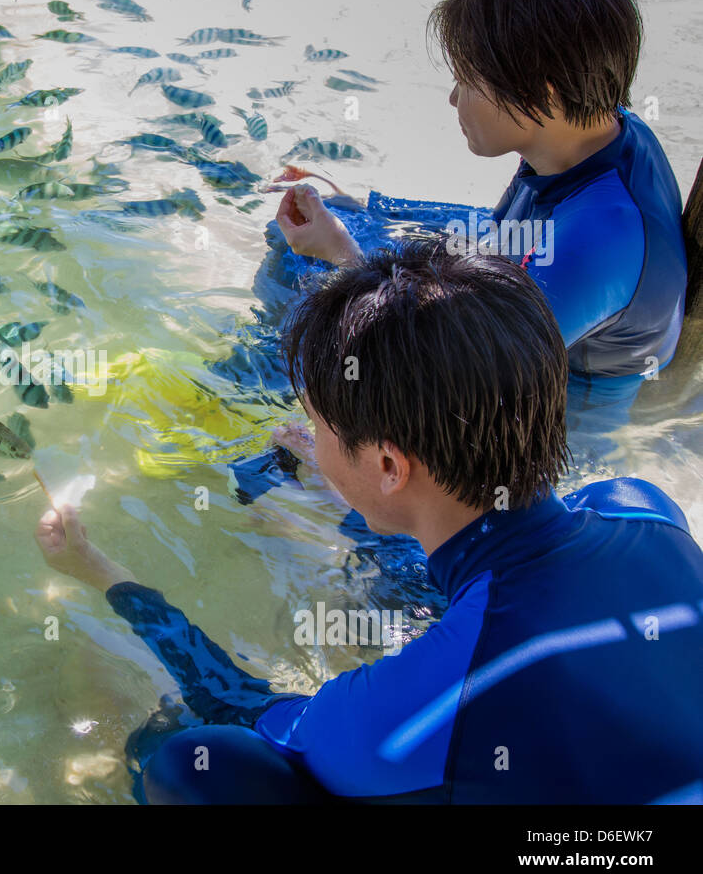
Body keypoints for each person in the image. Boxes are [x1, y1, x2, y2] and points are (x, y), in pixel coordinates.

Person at [35, 237, 703, 803]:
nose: (308, 438)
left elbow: (235, 700)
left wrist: (103, 574)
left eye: (320, 426)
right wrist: (347, 497)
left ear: (389, 465)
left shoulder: (390, 715)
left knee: (188, 762)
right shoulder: (646, 511)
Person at [273, 0, 689, 428]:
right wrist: (362, 215)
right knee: (311, 236)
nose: (453, 98)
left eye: (467, 79)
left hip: (534, 425)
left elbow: (445, 383)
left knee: (306, 309)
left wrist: (343, 259)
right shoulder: (590, 133)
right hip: (514, 295)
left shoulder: (600, 241)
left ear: (541, 92)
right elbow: (501, 241)